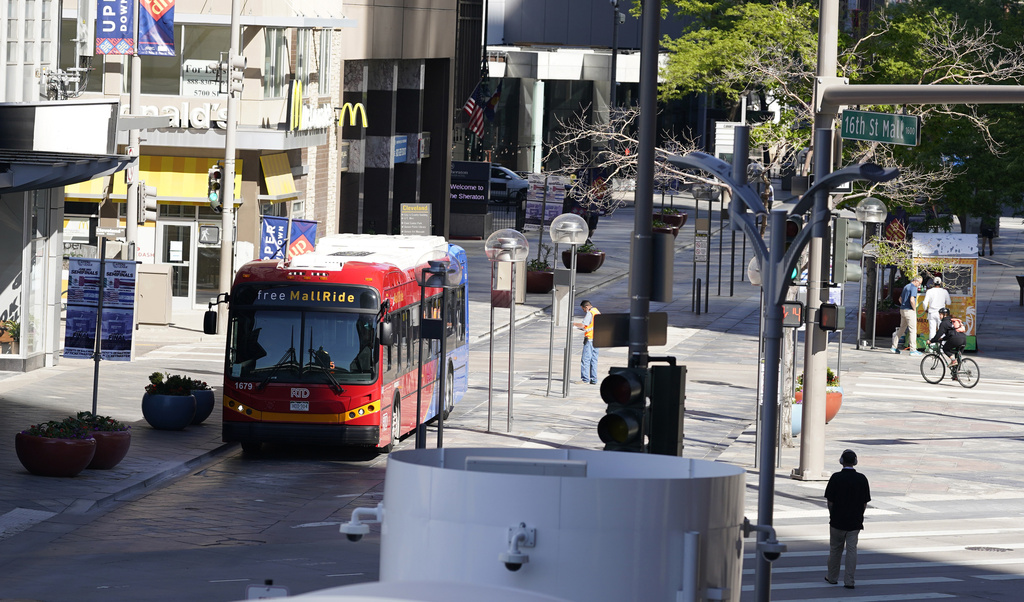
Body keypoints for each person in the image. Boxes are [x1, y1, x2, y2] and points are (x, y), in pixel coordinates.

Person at [824, 449, 871, 590]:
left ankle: (832, 577)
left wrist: (832, 514)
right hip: (855, 522)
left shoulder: (835, 477)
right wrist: (859, 515)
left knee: (835, 550)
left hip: (837, 520)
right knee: (852, 550)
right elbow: (864, 502)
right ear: (855, 462)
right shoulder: (862, 478)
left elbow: (830, 501)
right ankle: (849, 581)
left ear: (841, 461)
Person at [890, 275, 923, 356]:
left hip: (903, 309)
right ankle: (913, 350)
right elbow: (912, 300)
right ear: (916, 281)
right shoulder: (913, 288)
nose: (919, 285)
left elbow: (900, 299)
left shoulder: (906, 286)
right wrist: (914, 309)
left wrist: (904, 305)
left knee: (902, 329)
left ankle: (894, 347)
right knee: (912, 330)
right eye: (919, 283)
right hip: (909, 310)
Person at [573, 300, 600, 385]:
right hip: (597, 338)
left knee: (585, 359)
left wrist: (574, 324)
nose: (584, 311)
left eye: (583, 309)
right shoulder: (597, 311)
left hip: (590, 339)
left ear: (587, 307)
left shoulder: (590, 313)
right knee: (594, 359)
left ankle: (585, 379)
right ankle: (594, 379)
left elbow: (584, 325)